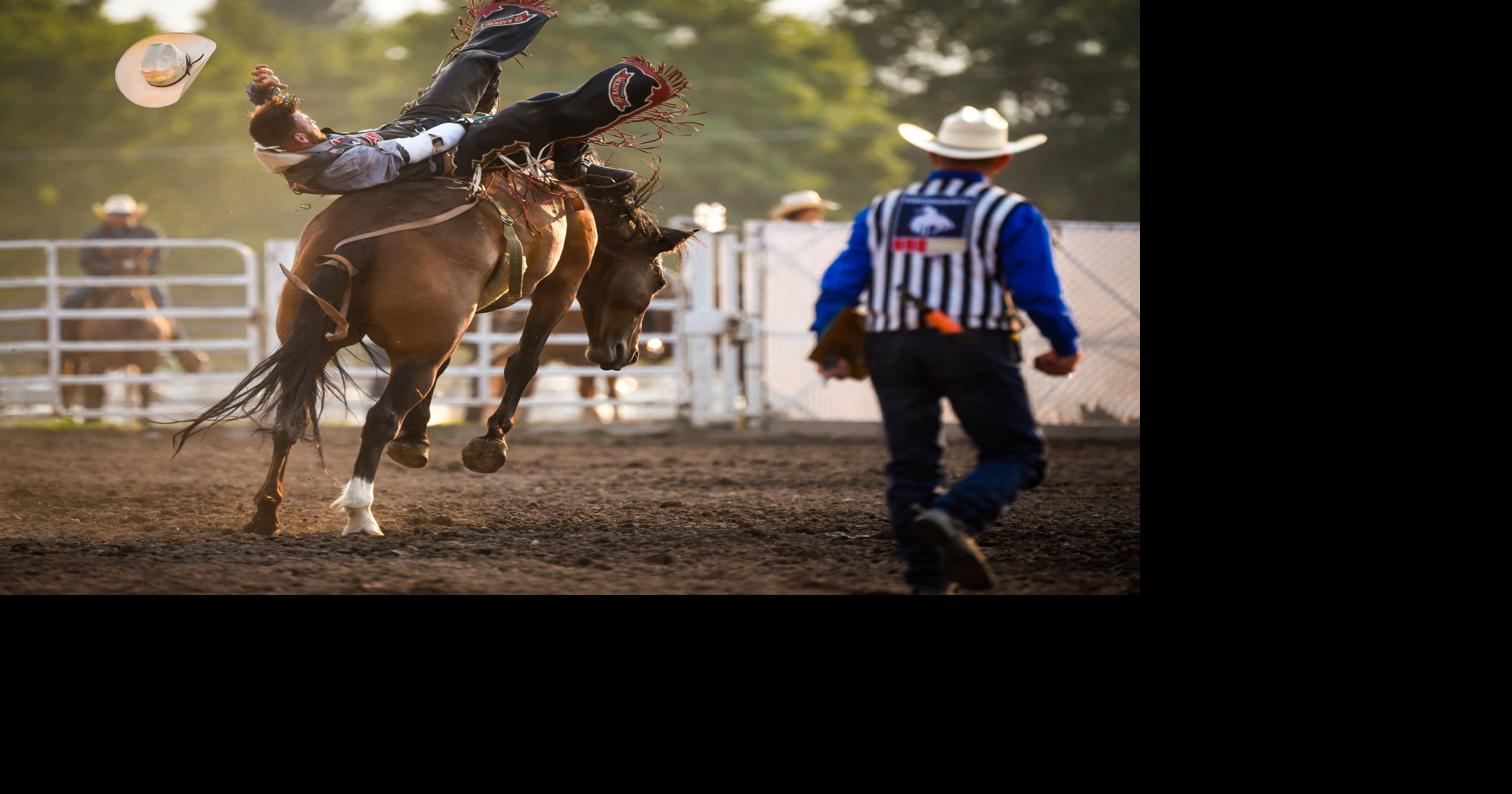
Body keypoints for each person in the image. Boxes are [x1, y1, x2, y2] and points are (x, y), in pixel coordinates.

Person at [810, 106, 1082, 595]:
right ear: (1000, 160)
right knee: (1017, 454)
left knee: (912, 464)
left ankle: (927, 580)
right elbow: (1036, 290)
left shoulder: (883, 209)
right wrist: (1063, 345)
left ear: (934, 155)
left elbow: (841, 284)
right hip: (974, 342)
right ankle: (955, 515)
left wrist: (830, 346)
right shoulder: (1011, 211)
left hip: (891, 344)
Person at [243, 1, 686, 196]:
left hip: (417, 123)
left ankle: (512, 13)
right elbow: (411, 151)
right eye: (304, 121)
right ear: (298, 140)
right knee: (537, 109)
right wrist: (463, 124)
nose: (311, 119)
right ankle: (574, 160)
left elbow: (276, 127)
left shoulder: (288, 144)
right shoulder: (337, 167)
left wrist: (268, 94)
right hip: (445, 153)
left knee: (472, 61)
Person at [768, 190, 839, 223]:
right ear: (800, 213)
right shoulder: (781, 232)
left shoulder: (822, 232)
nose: (819, 213)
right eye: (814, 210)